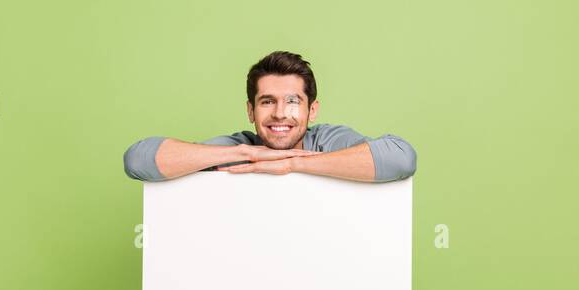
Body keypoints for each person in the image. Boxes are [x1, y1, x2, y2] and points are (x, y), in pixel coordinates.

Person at [123, 51, 416, 183]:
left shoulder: (328, 140)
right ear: (250, 110)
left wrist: (292, 164)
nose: (279, 113)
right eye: (267, 101)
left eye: (292, 101)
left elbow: (402, 158)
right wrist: (245, 152)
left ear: (311, 110)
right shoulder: (239, 148)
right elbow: (137, 161)